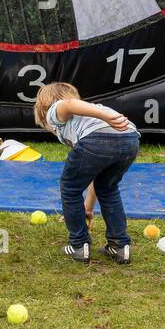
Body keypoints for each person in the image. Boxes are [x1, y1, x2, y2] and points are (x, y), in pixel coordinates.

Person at [34, 82, 139, 262]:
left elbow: (68, 104)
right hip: (130, 139)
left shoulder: (56, 109)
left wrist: (105, 116)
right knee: (107, 187)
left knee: (69, 188)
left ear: (44, 108)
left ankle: (78, 245)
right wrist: (87, 207)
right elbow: (94, 173)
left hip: (100, 136)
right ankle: (119, 246)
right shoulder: (82, 121)